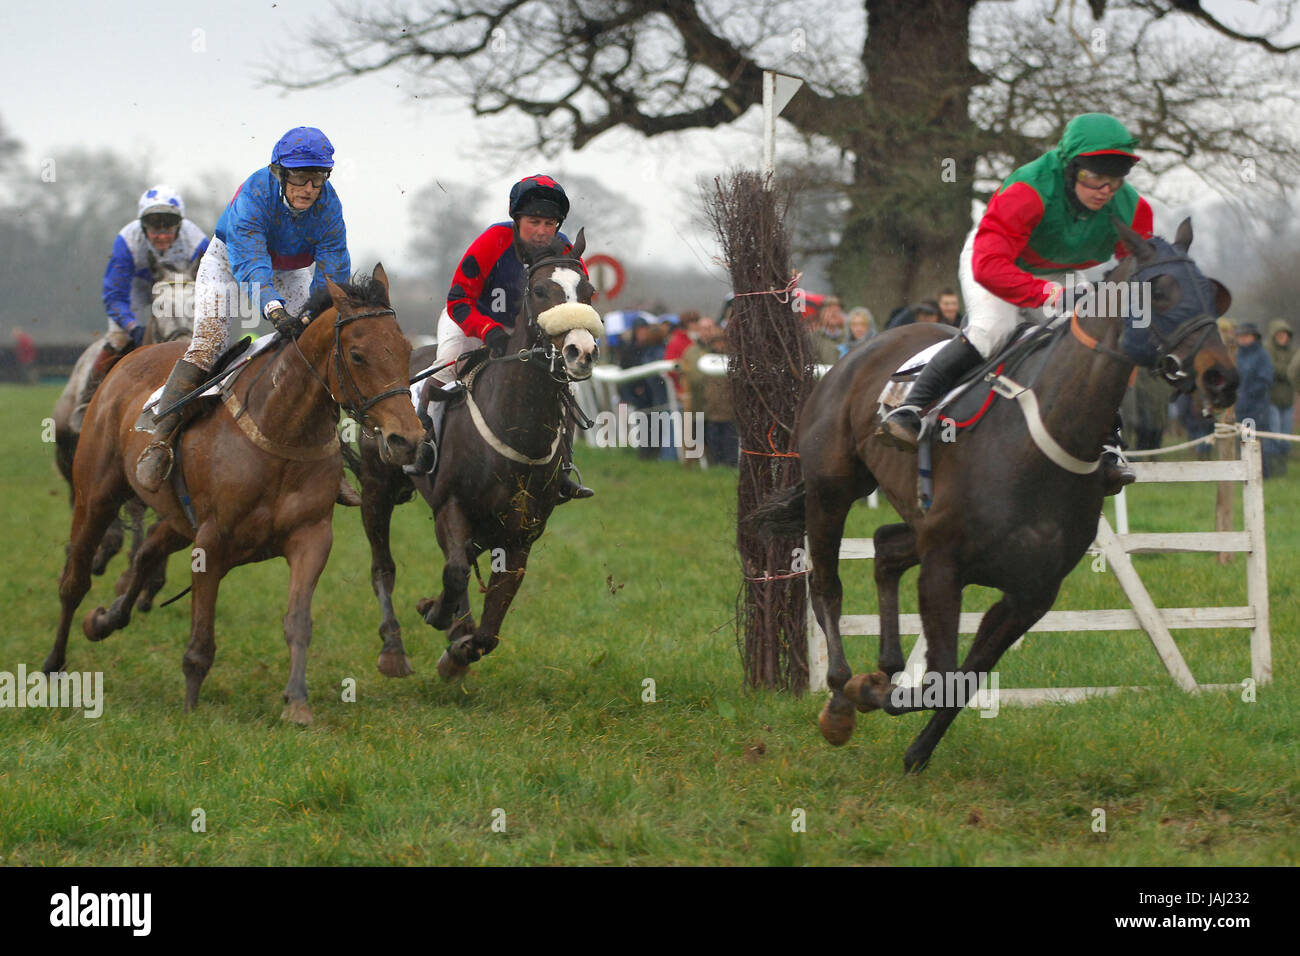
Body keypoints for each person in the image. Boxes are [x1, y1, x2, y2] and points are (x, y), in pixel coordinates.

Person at [880, 112, 1154, 495]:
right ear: (1071, 167)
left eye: (1115, 179)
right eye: (1094, 177)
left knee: (1089, 346)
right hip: (995, 260)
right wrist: (1048, 294)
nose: (1105, 190)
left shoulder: (1132, 209)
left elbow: (1141, 268)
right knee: (993, 330)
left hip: (1059, 271)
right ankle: (911, 408)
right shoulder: (1030, 189)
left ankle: (1108, 444)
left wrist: (1136, 328)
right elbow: (989, 266)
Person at [135, 128, 350, 493]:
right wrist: (274, 309)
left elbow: (333, 271)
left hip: (291, 270)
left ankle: (332, 456)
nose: (309, 188)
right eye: (299, 176)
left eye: (317, 178)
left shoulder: (330, 206)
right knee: (209, 345)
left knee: (311, 349)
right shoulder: (254, 194)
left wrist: (316, 314)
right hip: (229, 262)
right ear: (279, 173)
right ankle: (160, 440)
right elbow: (251, 264)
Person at [422, 174, 592, 498]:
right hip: (473, 321)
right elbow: (458, 299)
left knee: (564, 384)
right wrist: (488, 331)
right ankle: (424, 445)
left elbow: (579, 299)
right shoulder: (493, 240)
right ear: (517, 219)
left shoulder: (566, 248)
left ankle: (563, 470)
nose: (542, 231)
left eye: (550, 223)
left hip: (529, 334)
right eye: (534, 221)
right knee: (446, 366)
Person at [72, 185, 210, 430]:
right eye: (154, 228)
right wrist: (132, 326)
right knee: (118, 337)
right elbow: (114, 294)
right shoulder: (127, 241)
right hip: (138, 287)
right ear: (142, 225)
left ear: (180, 224)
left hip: (179, 287)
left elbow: (211, 284)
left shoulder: (197, 241)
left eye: (168, 227)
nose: (162, 235)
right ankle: (87, 400)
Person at [1233, 323, 1274, 473]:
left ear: (1254, 337)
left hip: (1257, 407)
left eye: (1246, 336)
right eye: (1240, 336)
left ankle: (1263, 472)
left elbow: (1265, 380)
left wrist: (1248, 394)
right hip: (1240, 407)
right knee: (1244, 441)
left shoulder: (1262, 355)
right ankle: (1247, 471)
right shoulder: (1237, 355)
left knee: (1258, 441)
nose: (1242, 339)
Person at [1265, 319, 1294, 475]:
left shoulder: (1293, 351)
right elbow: (1274, 370)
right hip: (1272, 401)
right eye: (1280, 335)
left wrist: (1286, 371)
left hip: (1288, 401)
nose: (1283, 338)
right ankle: (1273, 469)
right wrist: (1287, 371)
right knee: (1274, 437)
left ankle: (1282, 470)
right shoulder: (1267, 350)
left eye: (1285, 335)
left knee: (1286, 437)